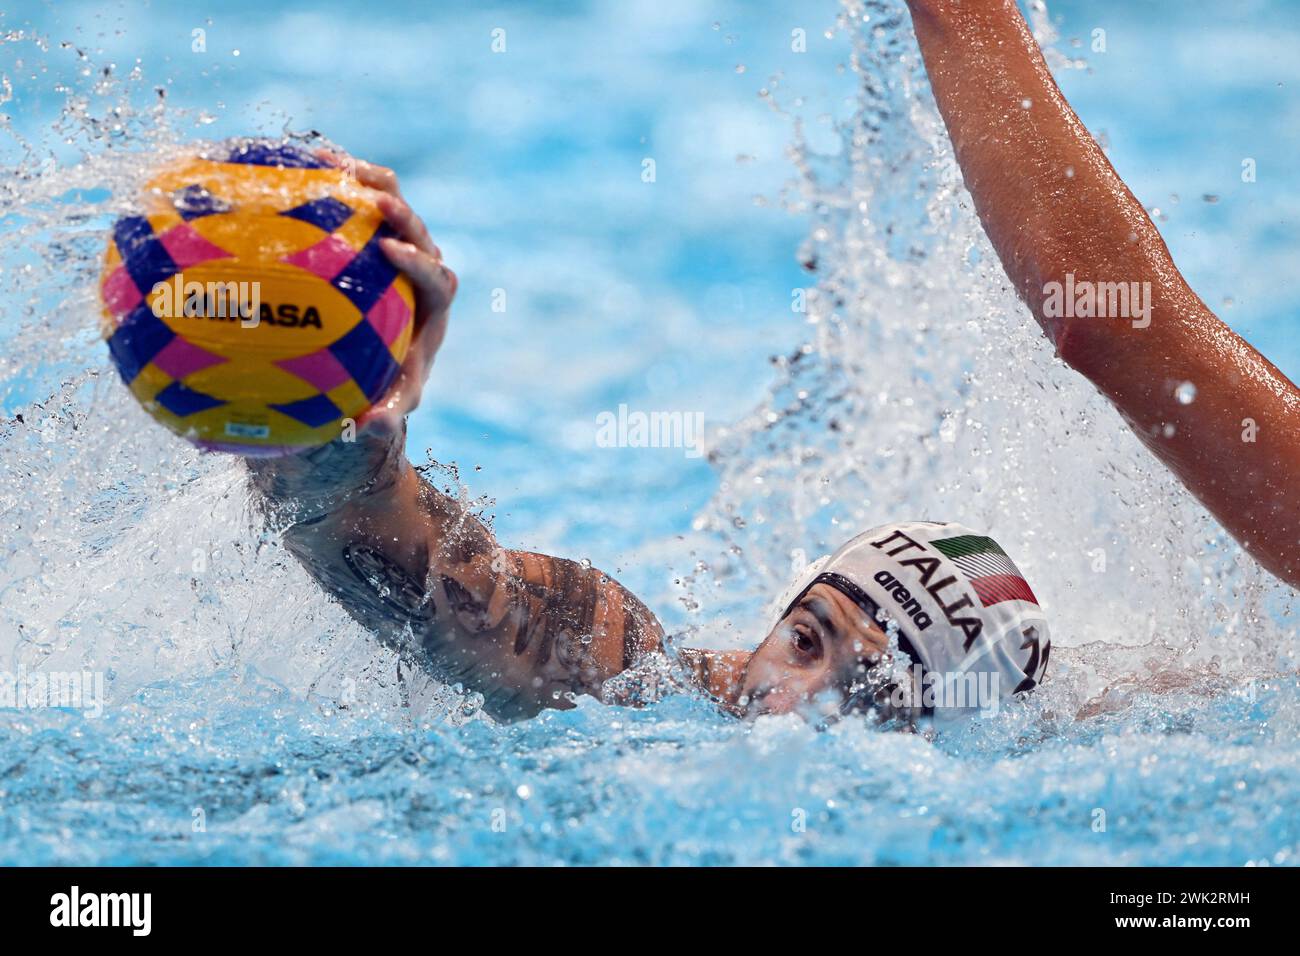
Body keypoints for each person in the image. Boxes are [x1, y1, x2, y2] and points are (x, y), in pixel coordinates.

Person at [246, 0, 1300, 724]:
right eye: (803, 641)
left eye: (867, 696)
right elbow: (465, 603)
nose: (792, 701)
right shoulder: (666, 686)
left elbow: (1104, 322)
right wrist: (334, 435)